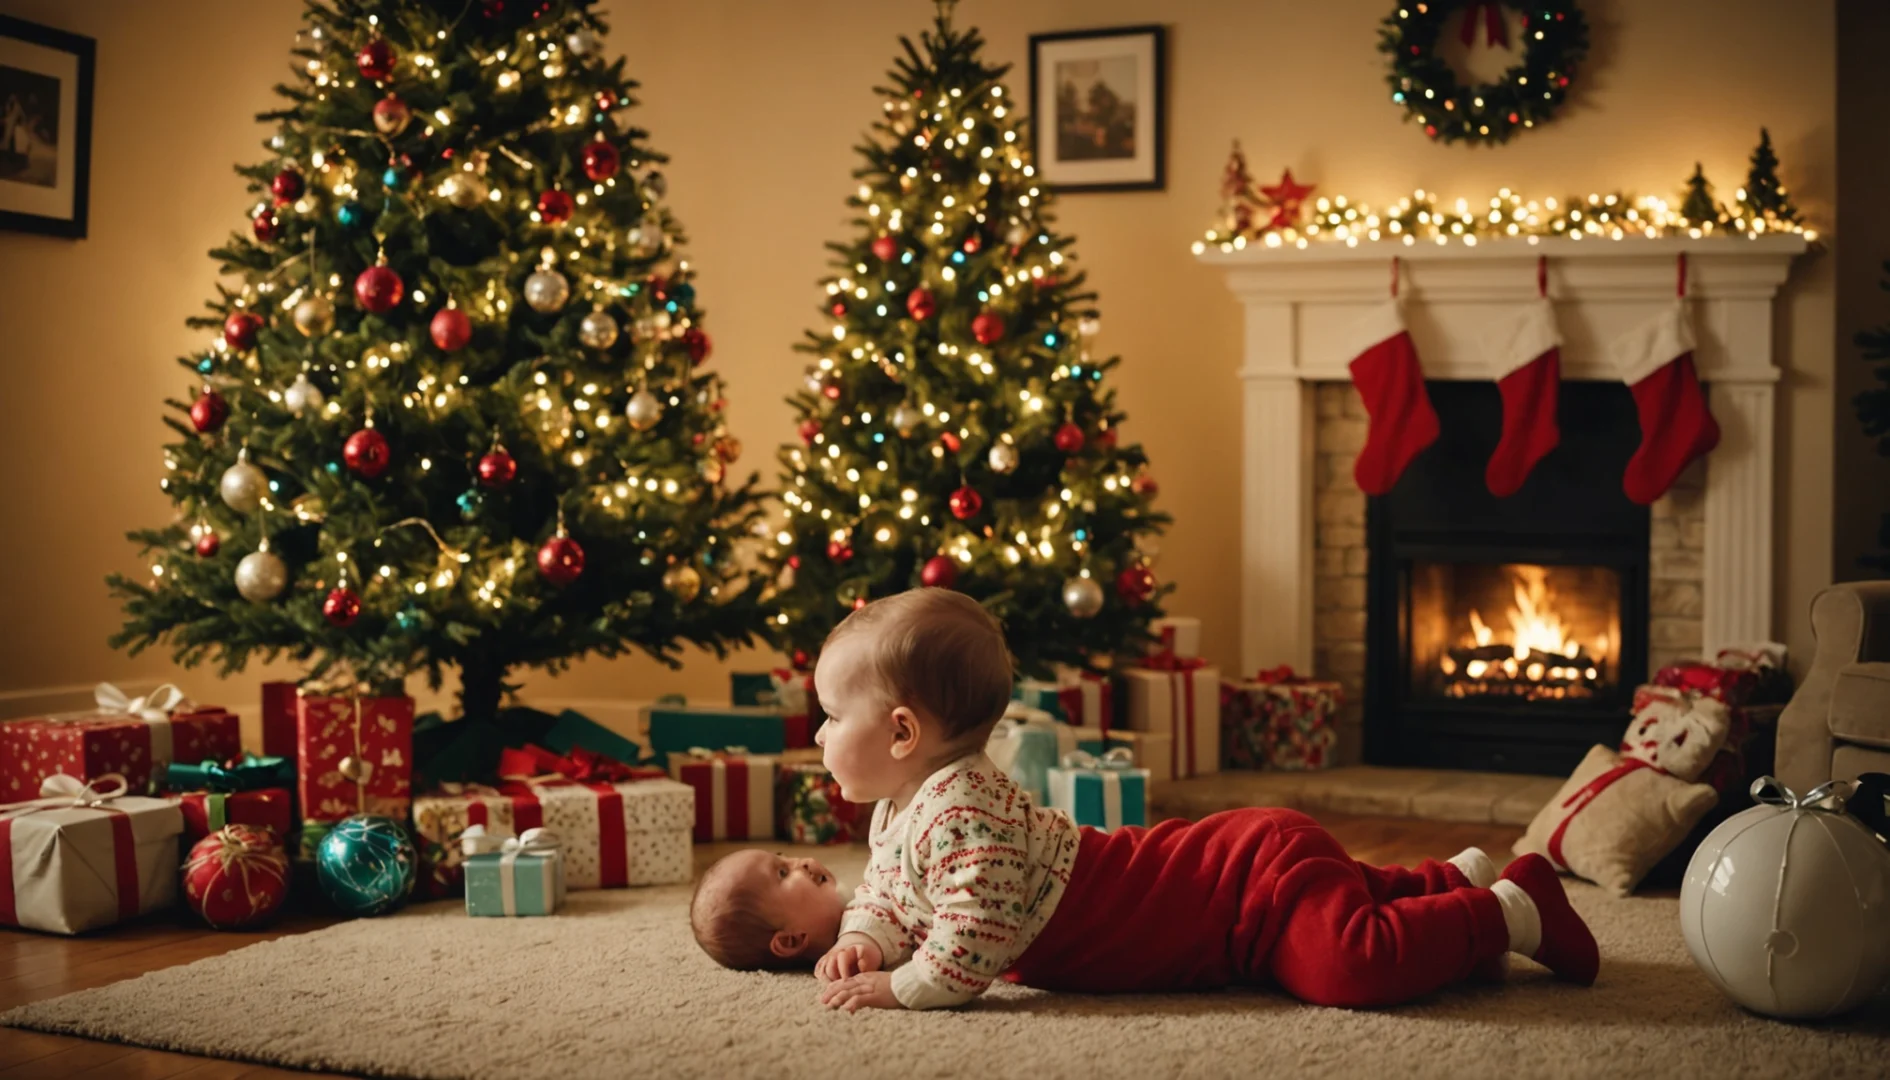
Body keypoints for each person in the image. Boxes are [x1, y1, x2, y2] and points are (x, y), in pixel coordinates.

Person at [689, 588, 1598, 1011]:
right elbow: (894, 893)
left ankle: (1509, 910)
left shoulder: (963, 804)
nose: (814, 735)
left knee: (1346, 971)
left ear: (899, 735)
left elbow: (972, 937)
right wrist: (861, 938)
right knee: (1344, 910)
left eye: (826, 715)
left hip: (1236, 887)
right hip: (1226, 903)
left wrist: (906, 987)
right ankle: (1448, 878)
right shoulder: (898, 814)